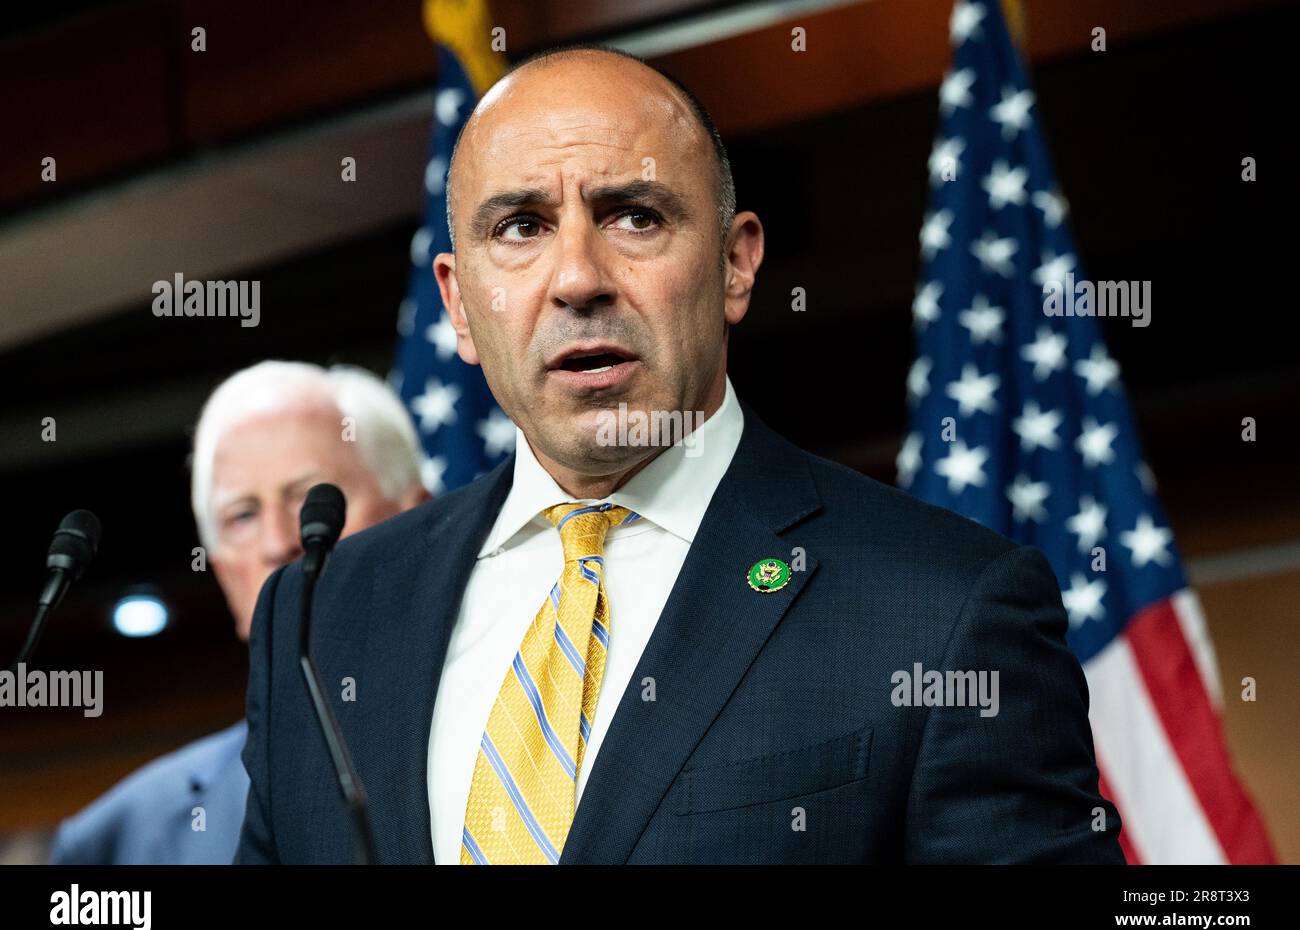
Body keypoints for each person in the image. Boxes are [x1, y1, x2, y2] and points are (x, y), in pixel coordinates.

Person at [237, 44, 1125, 864]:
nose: (577, 278)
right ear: (460, 305)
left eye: (633, 215)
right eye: (519, 227)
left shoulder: (946, 611)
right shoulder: (319, 625)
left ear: (736, 265)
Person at [50, 361, 428, 864]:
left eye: (313, 501)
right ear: (225, 574)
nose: (277, 544)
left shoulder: (525, 733)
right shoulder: (120, 842)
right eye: (243, 515)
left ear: (416, 519)